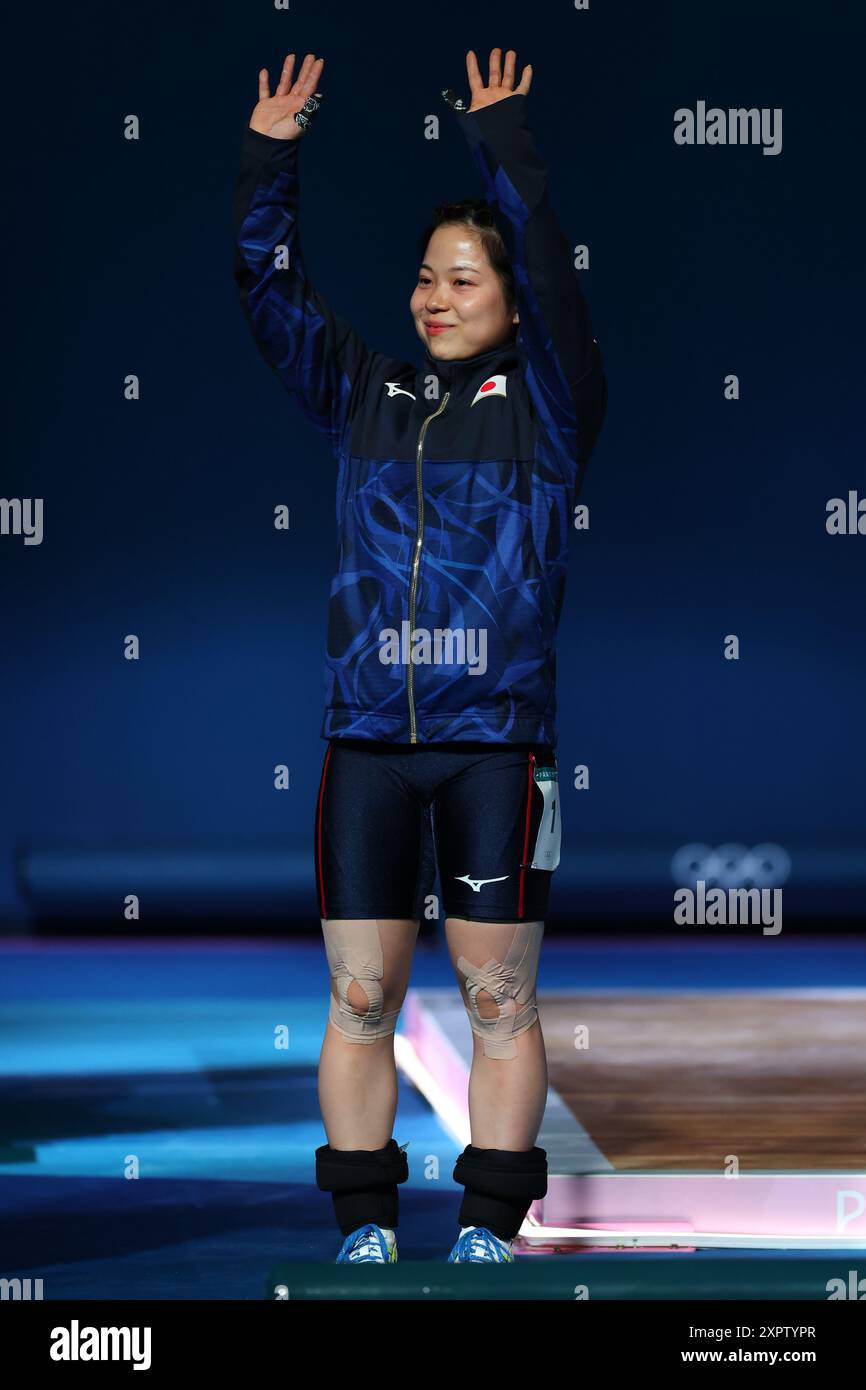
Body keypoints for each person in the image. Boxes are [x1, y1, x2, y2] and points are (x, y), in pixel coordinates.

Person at [233, 47, 607, 1264]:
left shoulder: (549, 411)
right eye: (422, 278)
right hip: (367, 753)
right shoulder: (365, 394)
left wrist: (506, 152)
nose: (432, 297)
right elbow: (269, 298)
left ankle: (491, 1224)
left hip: (497, 752)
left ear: (505, 295)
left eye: (461, 277)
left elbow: (553, 278)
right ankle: (364, 1226)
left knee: (500, 1000)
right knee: (357, 999)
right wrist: (268, 162)